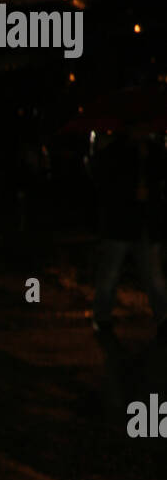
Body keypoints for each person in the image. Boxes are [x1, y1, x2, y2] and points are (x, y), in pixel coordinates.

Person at [90, 119, 167, 339]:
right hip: (121, 222)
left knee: (153, 275)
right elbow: (102, 178)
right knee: (110, 273)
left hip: (145, 223)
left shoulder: (154, 152)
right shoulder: (116, 151)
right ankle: (102, 317)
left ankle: (163, 316)